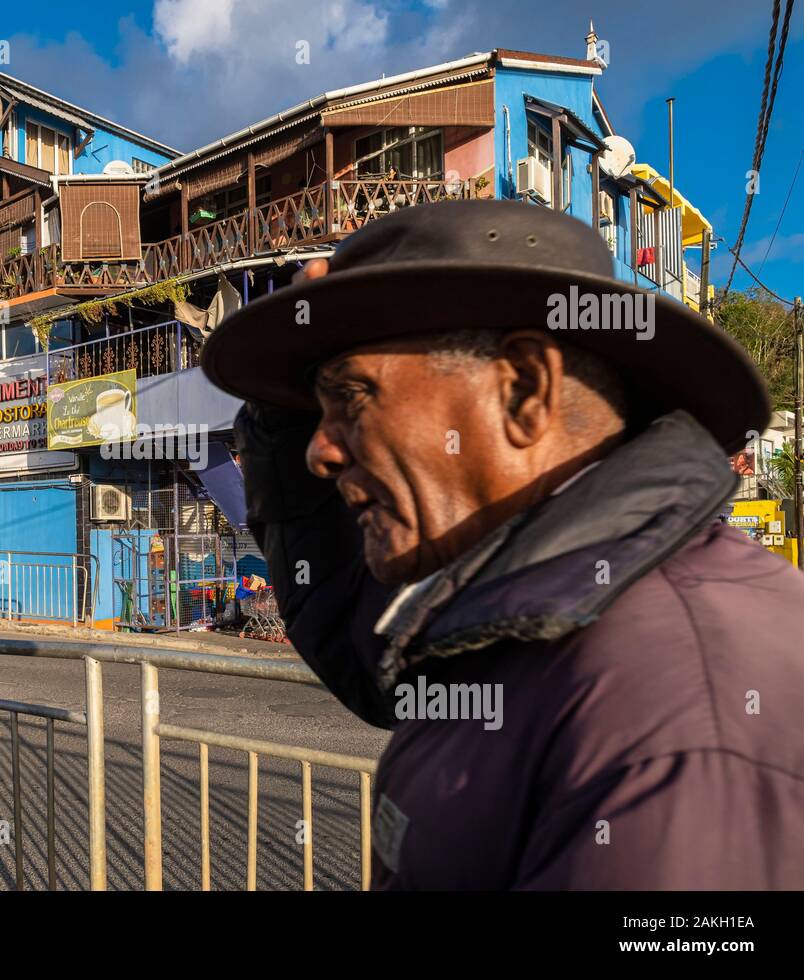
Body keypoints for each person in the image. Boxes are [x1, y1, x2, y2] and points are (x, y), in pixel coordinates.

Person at [201, 200, 804, 889]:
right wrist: (282, 414)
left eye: (353, 395)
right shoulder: (517, 616)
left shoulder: (687, 720)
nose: (321, 453)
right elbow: (355, 636)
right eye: (319, 409)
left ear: (522, 390)